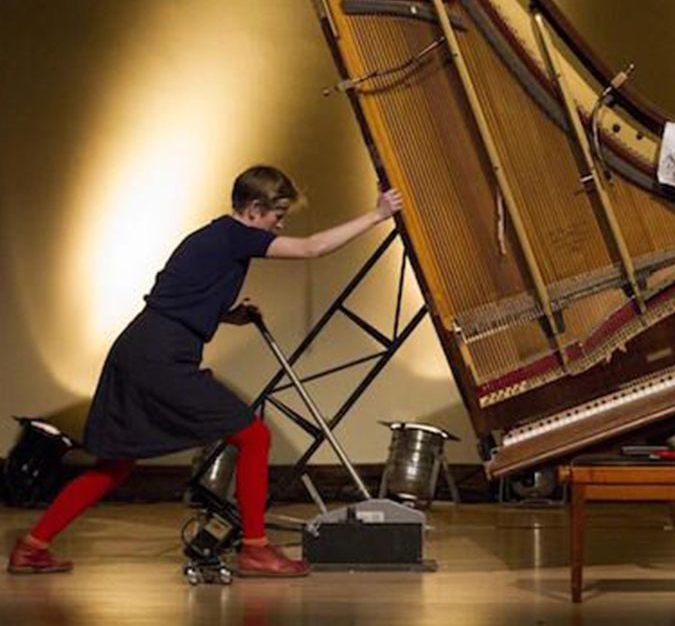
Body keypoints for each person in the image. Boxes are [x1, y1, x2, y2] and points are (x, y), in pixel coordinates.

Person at [7, 165, 402, 577]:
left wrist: (230, 315)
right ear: (252, 209)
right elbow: (311, 248)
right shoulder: (234, 235)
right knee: (254, 436)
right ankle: (255, 549)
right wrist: (376, 215)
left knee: (115, 465)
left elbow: (178, 296)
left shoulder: (212, 238)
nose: (279, 225)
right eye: (276, 215)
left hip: (139, 348)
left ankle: (32, 547)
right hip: (160, 356)